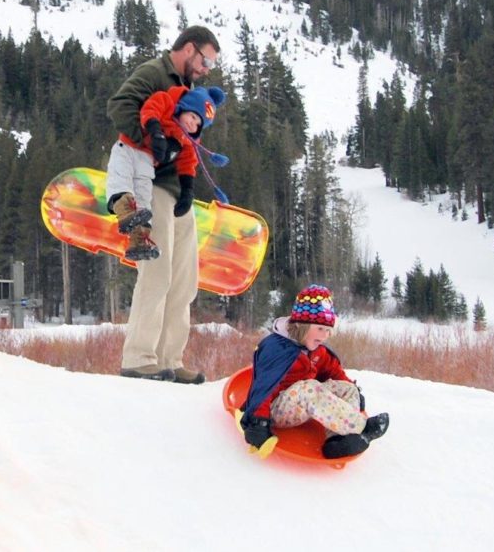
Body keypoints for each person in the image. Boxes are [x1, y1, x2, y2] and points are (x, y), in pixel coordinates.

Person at [107, 25, 221, 383]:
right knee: (157, 271)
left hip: (176, 191)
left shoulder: (189, 91)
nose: (206, 69)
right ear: (188, 49)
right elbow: (120, 106)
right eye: (205, 60)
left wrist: (188, 184)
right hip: (151, 183)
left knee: (185, 279)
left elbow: (185, 142)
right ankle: (140, 357)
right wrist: (153, 140)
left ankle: (169, 359)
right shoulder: (155, 72)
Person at [240, 284, 390, 459]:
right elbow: (263, 386)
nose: (325, 335)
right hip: (276, 410)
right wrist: (258, 422)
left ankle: (338, 440)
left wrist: (353, 390)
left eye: (328, 330)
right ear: (301, 325)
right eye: (320, 329)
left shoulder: (316, 349)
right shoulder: (276, 348)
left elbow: (334, 371)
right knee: (309, 388)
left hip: (303, 402)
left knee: (348, 388)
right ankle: (360, 427)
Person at [105, 83, 227, 261]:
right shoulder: (167, 102)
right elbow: (151, 109)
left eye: (198, 124)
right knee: (120, 178)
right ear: (184, 107)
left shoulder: (186, 140)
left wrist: (187, 190)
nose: (193, 124)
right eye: (193, 116)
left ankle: (139, 241)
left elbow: (188, 163)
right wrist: (156, 132)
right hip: (128, 148)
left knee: (143, 195)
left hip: (147, 162)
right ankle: (125, 210)